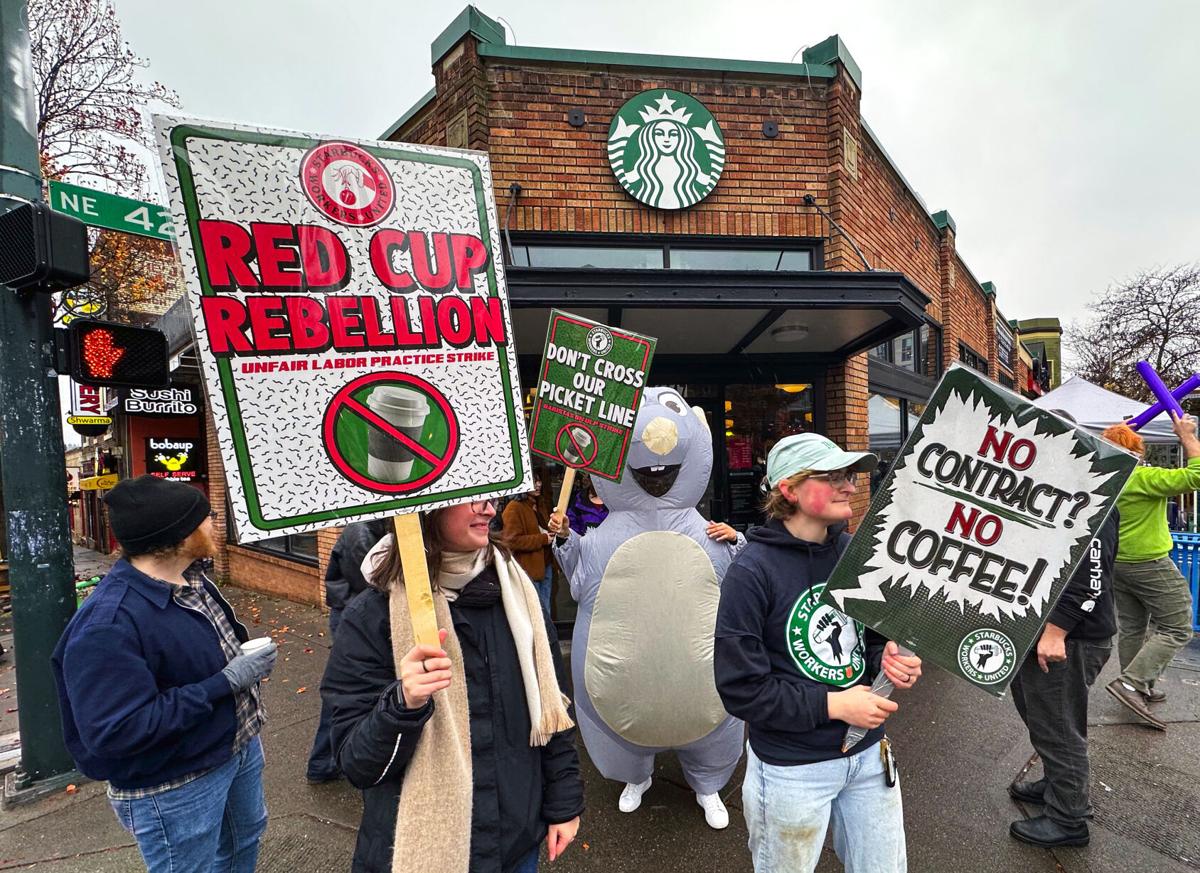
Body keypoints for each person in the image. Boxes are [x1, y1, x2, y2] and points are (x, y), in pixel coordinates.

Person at [321, 498, 583, 873]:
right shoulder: (373, 616)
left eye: (491, 498)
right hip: (421, 855)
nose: (489, 510)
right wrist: (401, 705)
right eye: (470, 500)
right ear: (426, 507)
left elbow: (552, 709)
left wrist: (564, 802)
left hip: (515, 845)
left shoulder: (519, 596)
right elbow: (357, 764)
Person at [714, 433, 922, 873]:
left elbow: (871, 640)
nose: (850, 485)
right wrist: (837, 704)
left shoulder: (853, 554)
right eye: (834, 476)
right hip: (792, 770)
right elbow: (741, 689)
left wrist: (891, 659)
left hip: (868, 756)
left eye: (849, 475)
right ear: (789, 489)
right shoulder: (750, 572)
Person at [52, 476, 277, 873]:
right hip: (175, 783)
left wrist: (238, 660)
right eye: (204, 518)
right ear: (176, 534)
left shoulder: (192, 578)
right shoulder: (108, 623)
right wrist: (225, 682)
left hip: (236, 747)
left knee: (244, 840)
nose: (213, 523)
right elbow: (117, 729)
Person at [1008, 505, 1120, 848]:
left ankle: (1068, 818)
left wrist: (1056, 631)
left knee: (1059, 728)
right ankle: (1057, 785)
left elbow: (1090, 574)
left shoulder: (1095, 495)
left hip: (1069, 638)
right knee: (1043, 719)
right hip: (1046, 633)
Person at [1101, 413, 1200, 729]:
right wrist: (1186, 435)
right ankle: (1132, 683)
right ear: (1136, 451)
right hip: (1149, 563)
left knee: (1133, 627)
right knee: (1178, 625)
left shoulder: (1105, 476)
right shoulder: (1142, 478)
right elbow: (1197, 475)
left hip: (1117, 562)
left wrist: (1121, 432)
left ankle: (1137, 684)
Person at [306, 517, 392, 783]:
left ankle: (326, 762)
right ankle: (322, 764)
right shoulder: (359, 532)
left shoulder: (370, 529)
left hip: (352, 611)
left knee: (349, 692)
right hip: (349, 614)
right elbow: (371, 579)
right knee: (347, 691)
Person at [502, 473, 555, 612]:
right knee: (535, 614)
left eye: (539, 480)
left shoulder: (540, 503)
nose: (538, 484)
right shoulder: (514, 508)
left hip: (546, 565)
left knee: (546, 613)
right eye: (533, 481)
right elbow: (511, 541)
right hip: (529, 570)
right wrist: (543, 539)